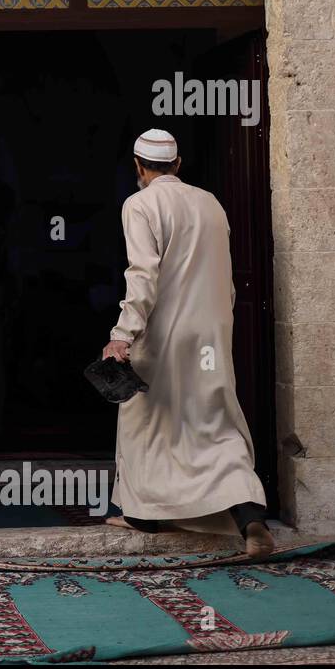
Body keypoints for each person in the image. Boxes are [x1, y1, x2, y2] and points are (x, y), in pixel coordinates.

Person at [101, 130, 275, 557]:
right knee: (215, 424)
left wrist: (122, 334)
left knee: (148, 424)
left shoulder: (139, 204)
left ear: (139, 168)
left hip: (162, 335)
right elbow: (225, 275)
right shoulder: (211, 203)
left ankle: (142, 514)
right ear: (177, 165)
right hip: (210, 334)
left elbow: (142, 274)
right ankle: (251, 519)